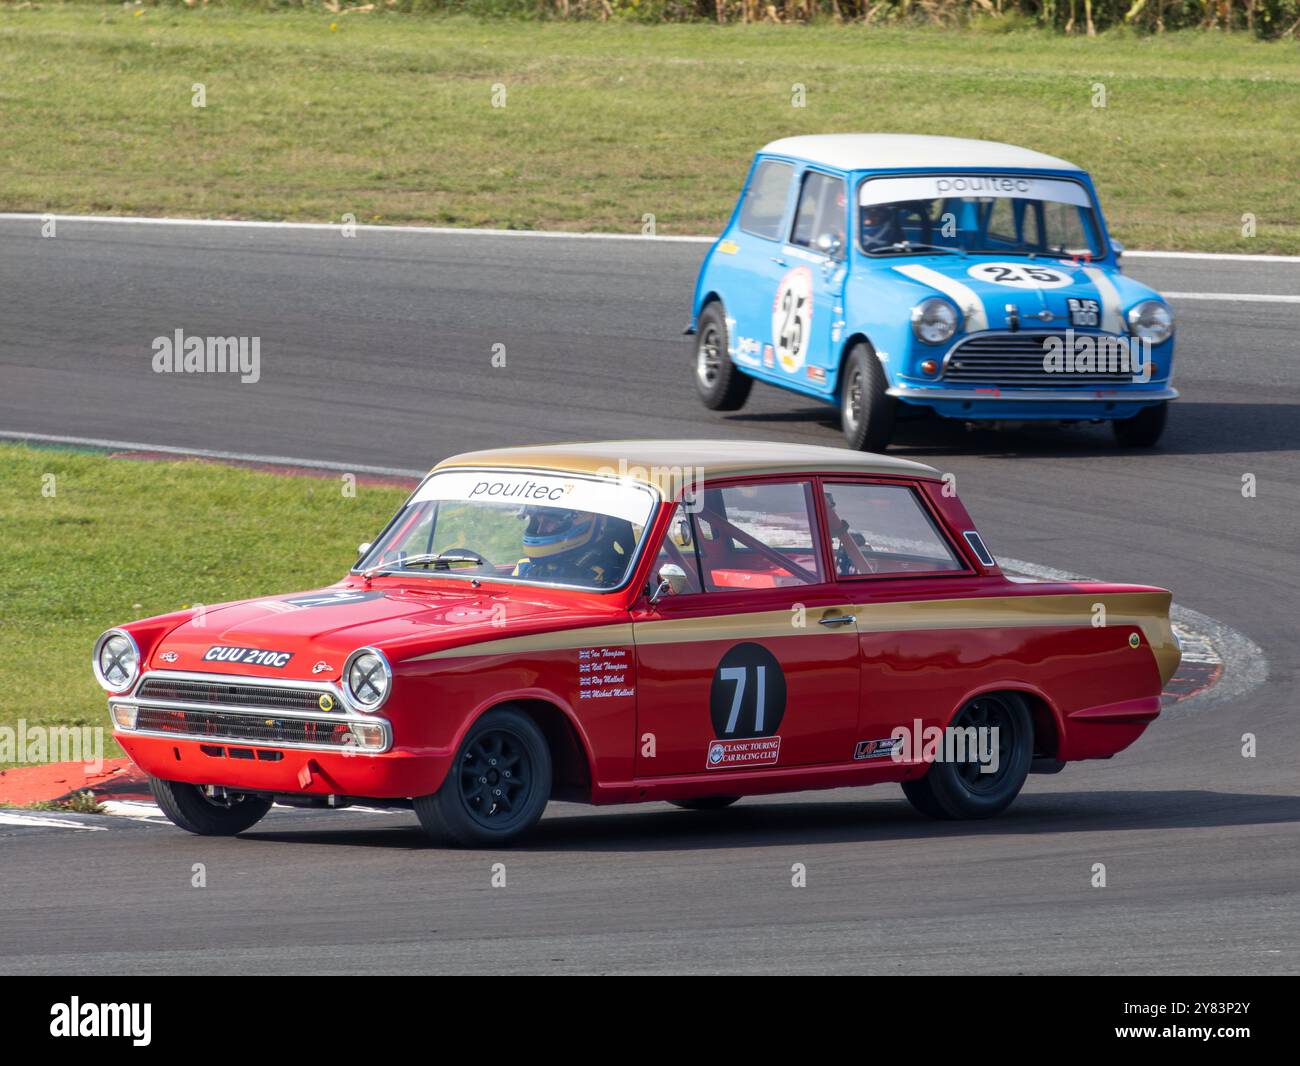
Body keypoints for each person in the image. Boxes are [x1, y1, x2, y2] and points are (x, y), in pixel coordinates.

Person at [512, 507, 633, 588]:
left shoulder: (606, 576)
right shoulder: (525, 566)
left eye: (552, 522)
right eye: (537, 521)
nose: (540, 530)